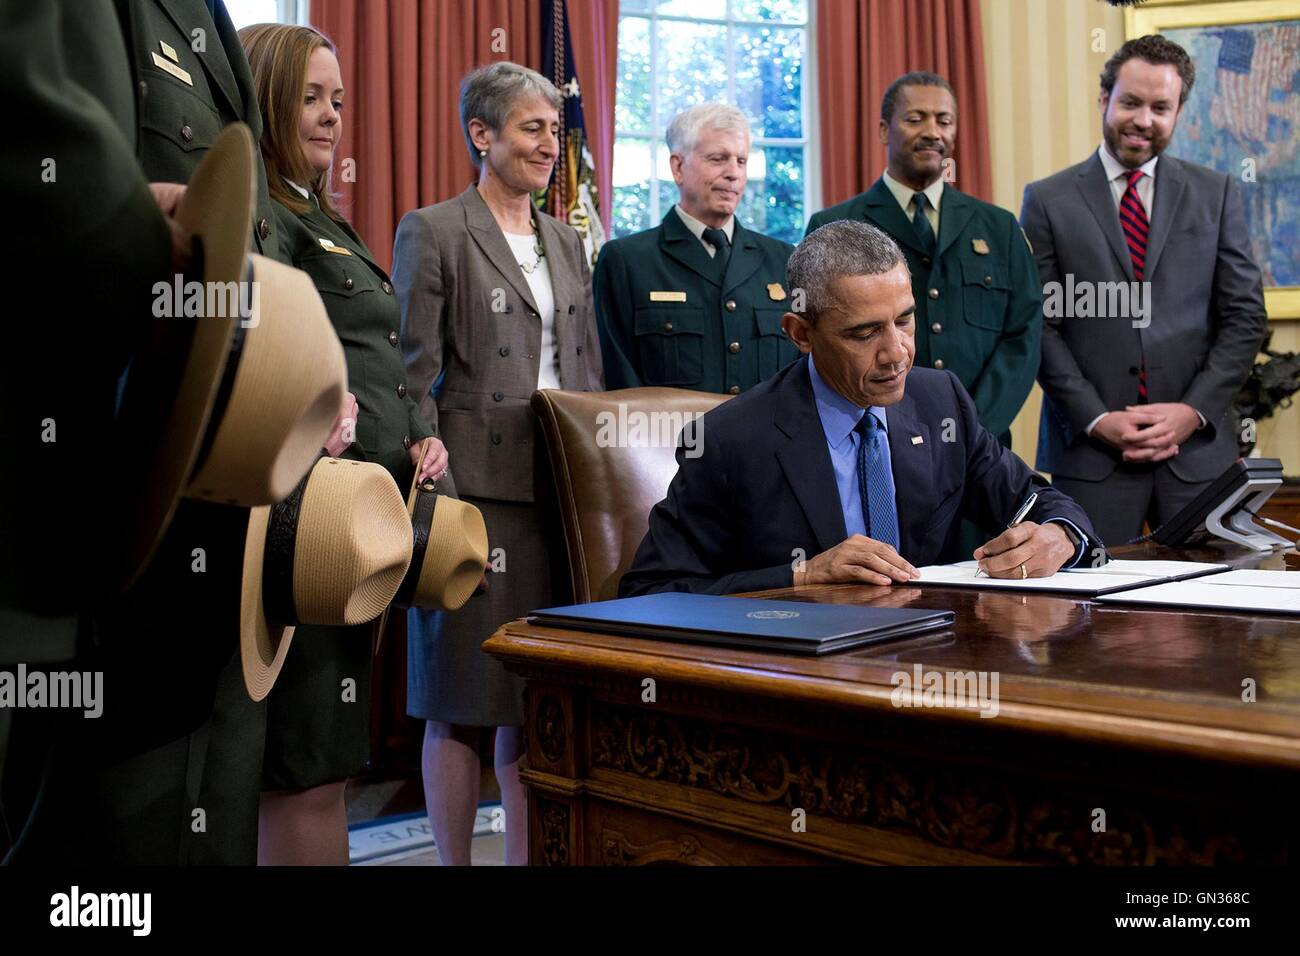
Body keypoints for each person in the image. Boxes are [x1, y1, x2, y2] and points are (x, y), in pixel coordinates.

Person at [619, 221, 1100, 598]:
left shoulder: (941, 403)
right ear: (801, 334)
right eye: (865, 333)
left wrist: (1060, 536)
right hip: (804, 684)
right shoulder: (729, 441)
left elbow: (1039, 499)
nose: (897, 353)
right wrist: (801, 576)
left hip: (931, 667)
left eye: (905, 321)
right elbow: (651, 591)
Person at [239, 22, 449, 866]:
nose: (331, 117)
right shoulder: (266, 213)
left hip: (358, 522)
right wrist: (309, 399)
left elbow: (385, 365)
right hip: (302, 526)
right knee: (305, 771)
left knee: (321, 761)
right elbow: (256, 334)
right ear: (264, 100)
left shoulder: (321, 216)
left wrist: (418, 438)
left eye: (339, 101)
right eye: (310, 99)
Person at [393, 61, 604, 865]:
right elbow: (408, 372)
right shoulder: (436, 229)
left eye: (554, 128)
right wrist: (429, 477)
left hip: (565, 495)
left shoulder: (568, 240)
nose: (549, 143)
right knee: (460, 703)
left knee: (535, 701)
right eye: (530, 127)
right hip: (472, 498)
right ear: (481, 135)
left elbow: (585, 372)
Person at [1021, 35, 1267, 546]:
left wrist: (1191, 412)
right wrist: (1096, 418)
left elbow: (1244, 317)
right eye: (1131, 102)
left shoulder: (1216, 194)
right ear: (1104, 98)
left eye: (1161, 107)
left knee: (1216, 619)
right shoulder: (1047, 200)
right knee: (1085, 616)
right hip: (1091, 458)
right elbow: (1038, 324)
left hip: (1199, 457)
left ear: (1178, 111)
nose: (1143, 120)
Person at [805, 72, 1041, 450]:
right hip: (874, 442)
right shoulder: (833, 227)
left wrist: (972, 426)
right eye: (916, 119)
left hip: (981, 446)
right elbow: (822, 341)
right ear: (884, 130)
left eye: (944, 121)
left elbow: (1024, 336)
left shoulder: (1000, 228)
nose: (933, 131)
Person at [594, 104, 796, 395]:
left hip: (767, 439)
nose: (733, 173)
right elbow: (619, 379)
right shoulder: (626, 261)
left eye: (741, 161)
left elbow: (800, 374)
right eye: (718, 159)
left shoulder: (782, 259)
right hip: (672, 438)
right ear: (678, 167)